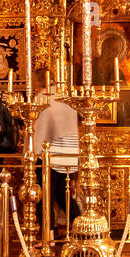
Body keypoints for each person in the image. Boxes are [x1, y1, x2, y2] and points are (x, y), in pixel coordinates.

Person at [33, 88, 80, 239]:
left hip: (50, 154)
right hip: (69, 152)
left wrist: (34, 151)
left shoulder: (44, 97)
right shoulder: (68, 95)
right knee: (62, 195)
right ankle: (81, 228)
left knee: (44, 195)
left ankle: (49, 236)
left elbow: (41, 128)